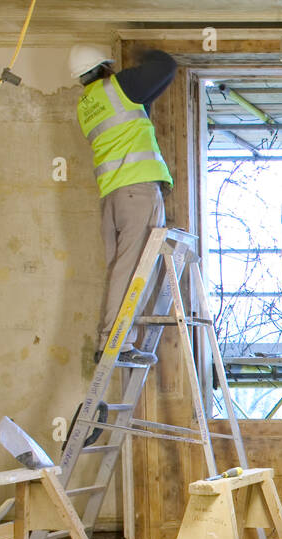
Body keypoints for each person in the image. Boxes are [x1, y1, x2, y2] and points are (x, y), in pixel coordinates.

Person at [70, 44, 177, 363]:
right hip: (137, 191)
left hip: (114, 198)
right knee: (132, 271)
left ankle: (119, 343)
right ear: (105, 66)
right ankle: (113, 344)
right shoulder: (118, 87)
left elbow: (138, 105)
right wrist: (144, 53)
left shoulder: (88, 104)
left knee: (122, 271)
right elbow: (166, 66)